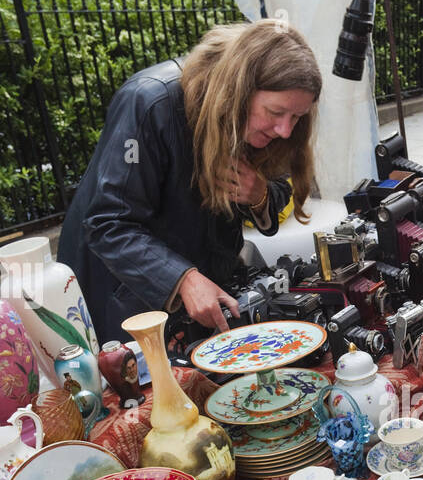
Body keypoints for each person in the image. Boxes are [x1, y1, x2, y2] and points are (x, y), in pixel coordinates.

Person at [58, 19, 322, 344]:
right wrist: (182, 279)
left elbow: (278, 186)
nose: (284, 130)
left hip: (208, 294)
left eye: (296, 117)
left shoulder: (275, 120)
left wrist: (259, 195)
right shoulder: (149, 102)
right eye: (275, 112)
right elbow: (107, 222)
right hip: (126, 301)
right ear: (238, 92)